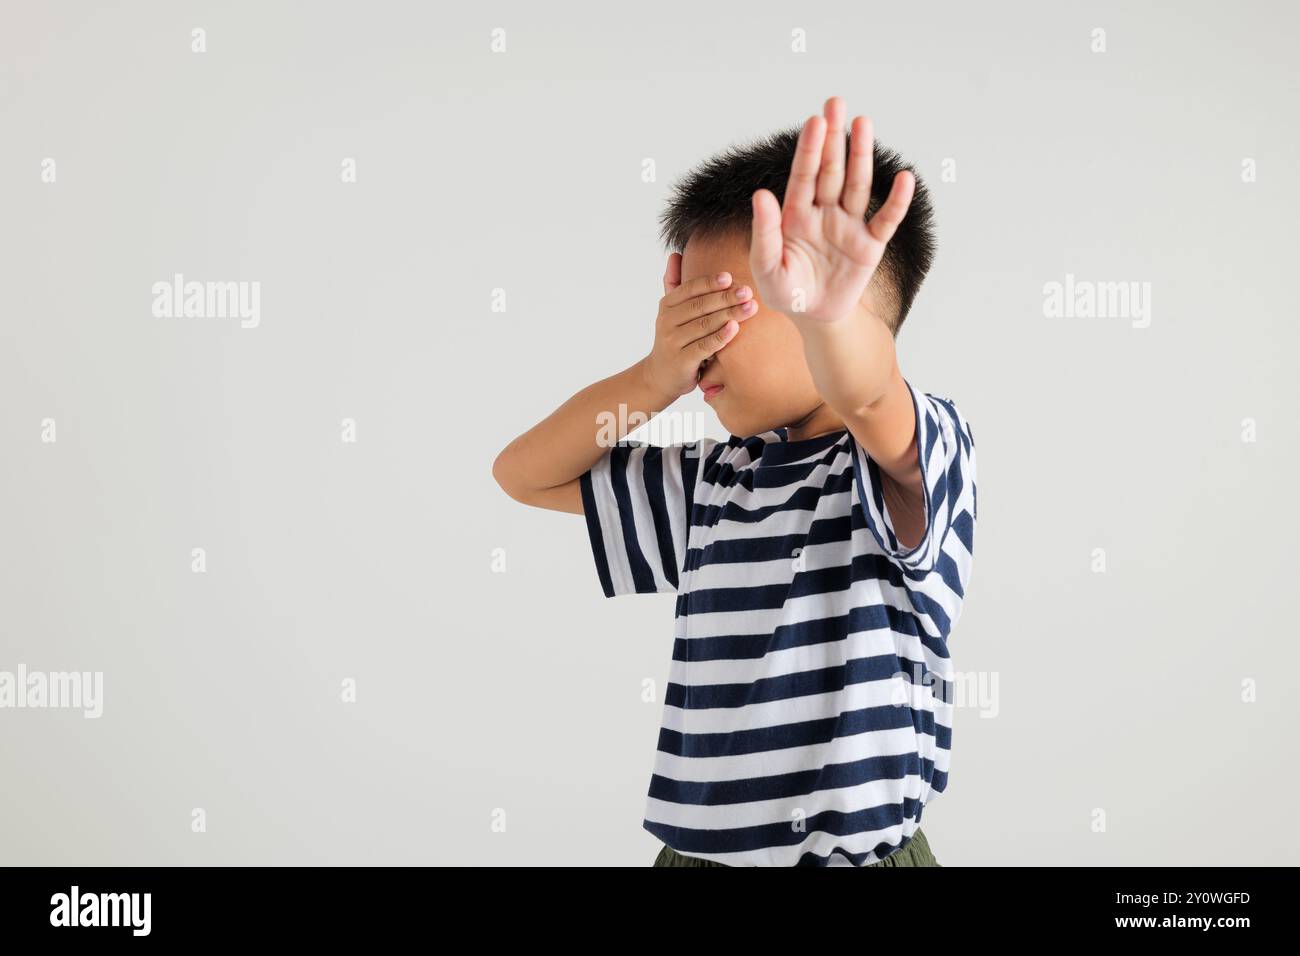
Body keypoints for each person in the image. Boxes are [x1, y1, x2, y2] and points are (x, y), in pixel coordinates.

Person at [493, 96, 977, 866]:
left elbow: (871, 393)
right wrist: (653, 379)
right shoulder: (717, 485)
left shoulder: (906, 460)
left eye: (729, 302)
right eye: (683, 308)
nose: (696, 337)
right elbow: (522, 473)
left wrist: (829, 320)